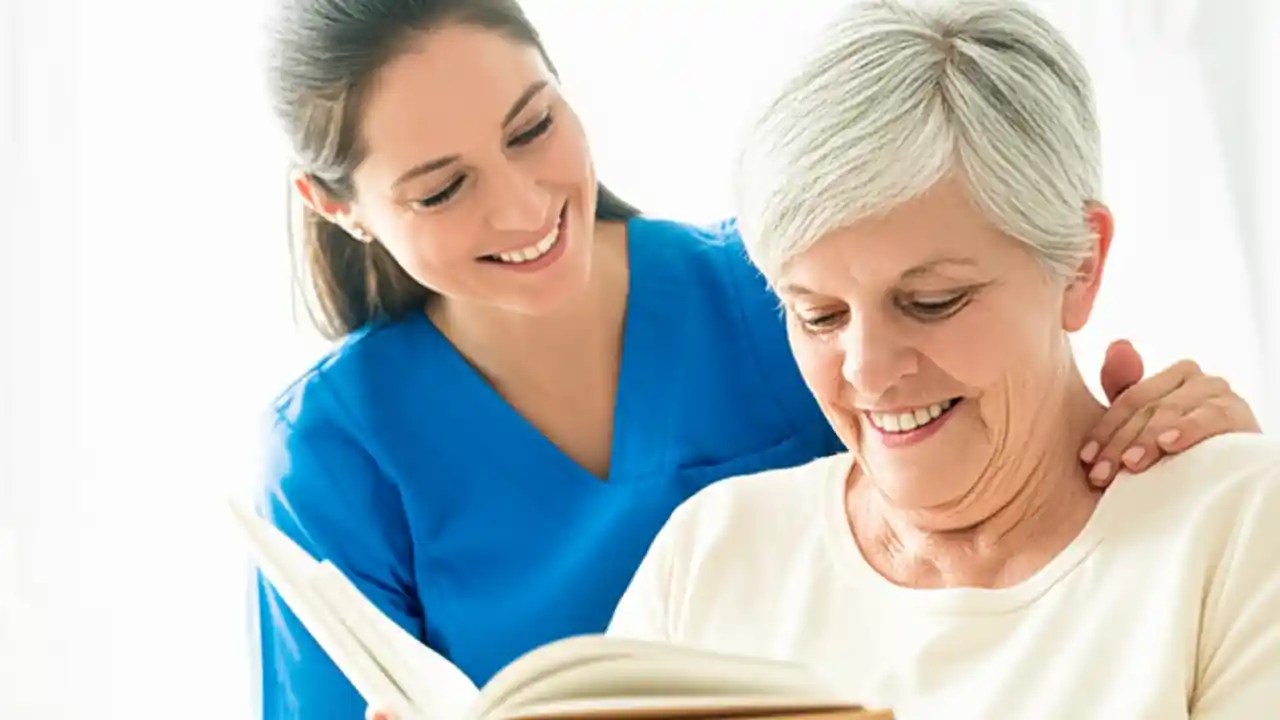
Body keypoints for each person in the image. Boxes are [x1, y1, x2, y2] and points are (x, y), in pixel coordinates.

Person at [256, 0, 1263, 717]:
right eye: (441, 189)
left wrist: (1205, 467)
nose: (522, 208)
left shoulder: (763, 280)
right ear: (338, 206)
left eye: (532, 128)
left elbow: (1015, 378)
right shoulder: (344, 453)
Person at [606, 1, 1279, 718]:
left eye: (932, 302)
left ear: (1081, 264)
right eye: (820, 315)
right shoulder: (711, 555)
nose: (866, 371)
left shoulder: (1235, 530)